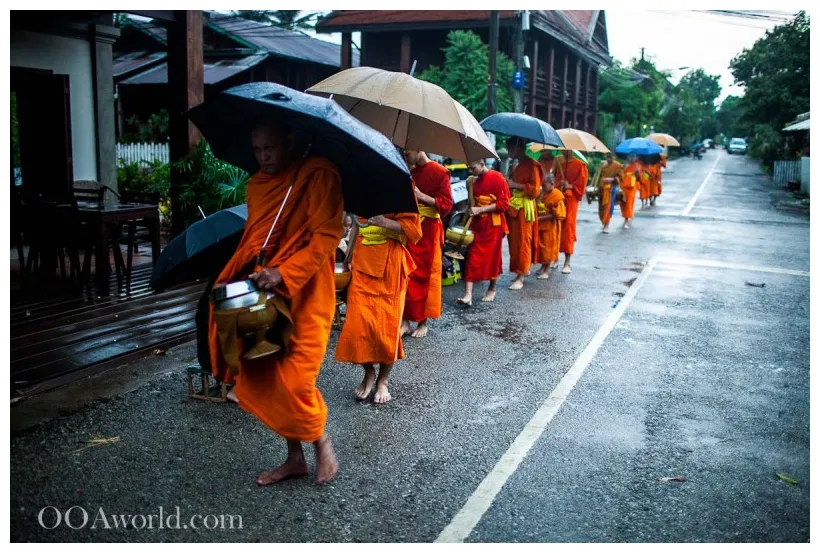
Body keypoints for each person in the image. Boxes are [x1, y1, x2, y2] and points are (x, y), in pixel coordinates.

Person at [207, 121, 342, 486]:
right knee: (267, 366)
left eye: (270, 148)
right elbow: (256, 234)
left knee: (298, 379)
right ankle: (295, 458)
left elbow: (327, 235)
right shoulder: (258, 184)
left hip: (308, 289)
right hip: (265, 288)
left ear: (291, 140)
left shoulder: (318, 174)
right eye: (257, 150)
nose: (263, 158)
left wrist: (285, 271)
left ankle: (321, 443)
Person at [335, 212, 422, 405]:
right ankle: (368, 371)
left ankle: (383, 380)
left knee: (387, 330)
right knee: (357, 327)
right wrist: (348, 255)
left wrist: (384, 222)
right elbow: (357, 224)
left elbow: (415, 231)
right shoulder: (363, 187)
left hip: (390, 263)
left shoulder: (403, 188)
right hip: (362, 260)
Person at [401, 150, 453, 339]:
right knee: (408, 273)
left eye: (408, 152)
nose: (406, 155)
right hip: (411, 227)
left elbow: (446, 206)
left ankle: (423, 321)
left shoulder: (440, 172)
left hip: (429, 230)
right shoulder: (410, 172)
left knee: (426, 275)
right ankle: (405, 321)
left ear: (419, 147)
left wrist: (421, 196)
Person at [457, 159, 510, 306]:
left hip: (493, 225)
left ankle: (492, 289)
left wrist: (481, 209)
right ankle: (468, 295)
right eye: (469, 168)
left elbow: (504, 203)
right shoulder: (472, 181)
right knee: (472, 256)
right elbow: (471, 204)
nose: (470, 171)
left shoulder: (497, 177)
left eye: (473, 167)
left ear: (481, 163)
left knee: (493, 257)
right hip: (477, 224)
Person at [505, 137, 543, 290]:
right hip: (514, 206)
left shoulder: (533, 166)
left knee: (523, 242)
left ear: (518, 148)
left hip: (525, 207)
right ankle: (518, 271)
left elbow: (535, 190)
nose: (508, 152)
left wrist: (514, 184)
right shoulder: (517, 165)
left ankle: (521, 276)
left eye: (510, 149)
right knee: (514, 241)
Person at [555, 150, 588, 274]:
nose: (565, 151)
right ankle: (554, 258)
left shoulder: (580, 165)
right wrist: (560, 184)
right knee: (556, 227)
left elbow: (582, 184)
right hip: (559, 198)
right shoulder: (559, 163)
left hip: (571, 200)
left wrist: (571, 186)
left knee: (568, 229)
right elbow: (555, 181)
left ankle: (567, 262)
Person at [534, 173, 566, 278]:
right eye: (542, 185)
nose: (543, 187)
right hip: (540, 225)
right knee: (542, 248)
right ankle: (543, 266)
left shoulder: (557, 195)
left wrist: (540, 219)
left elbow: (557, 215)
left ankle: (547, 271)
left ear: (552, 183)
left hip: (551, 226)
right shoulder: (542, 193)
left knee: (548, 249)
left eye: (545, 185)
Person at [598, 152, 624, 233]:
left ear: (614, 157)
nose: (609, 159)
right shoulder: (603, 164)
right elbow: (597, 176)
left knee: (608, 207)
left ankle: (607, 225)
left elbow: (621, 177)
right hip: (601, 188)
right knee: (601, 208)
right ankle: (604, 223)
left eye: (610, 157)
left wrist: (612, 179)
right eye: (607, 157)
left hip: (610, 189)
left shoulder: (618, 165)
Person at [620, 154, 640, 229]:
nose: (631, 159)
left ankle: (626, 220)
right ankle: (628, 216)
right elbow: (621, 176)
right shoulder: (625, 166)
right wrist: (622, 169)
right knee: (623, 203)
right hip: (623, 187)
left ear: (636, 158)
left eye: (633, 157)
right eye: (630, 157)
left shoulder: (637, 166)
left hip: (631, 188)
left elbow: (639, 179)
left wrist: (637, 174)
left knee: (629, 203)